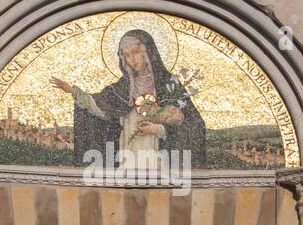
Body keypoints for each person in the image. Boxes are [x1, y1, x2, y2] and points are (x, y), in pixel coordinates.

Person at [51, 28, 206, 167]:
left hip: (158, 155)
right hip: (128, 151)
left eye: (136, 52)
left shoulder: (169, 85)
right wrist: (74, 91)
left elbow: (194, 124)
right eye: (126, 55)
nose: (132, 59)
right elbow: (99, 108)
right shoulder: (122, 87)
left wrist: (159, 129)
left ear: (149, 52)